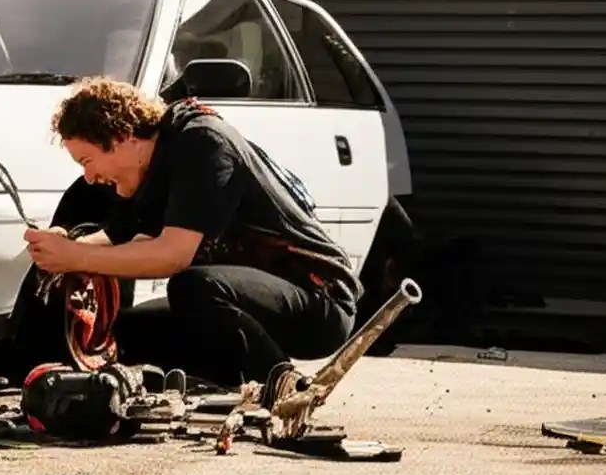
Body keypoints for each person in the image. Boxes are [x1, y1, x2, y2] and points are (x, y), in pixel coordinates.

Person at [24, 78, 360, 387]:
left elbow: (172, 255)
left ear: (124, 138)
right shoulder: (150, 167)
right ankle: (218, 390)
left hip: (318, 299)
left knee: (193, 287)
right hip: (251, 298)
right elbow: (115, 240)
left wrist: (76, 257)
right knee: (127, 333)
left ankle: (283, 386)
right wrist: (63, 246)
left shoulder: (202, 143)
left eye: (87, 160)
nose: (89, 177)